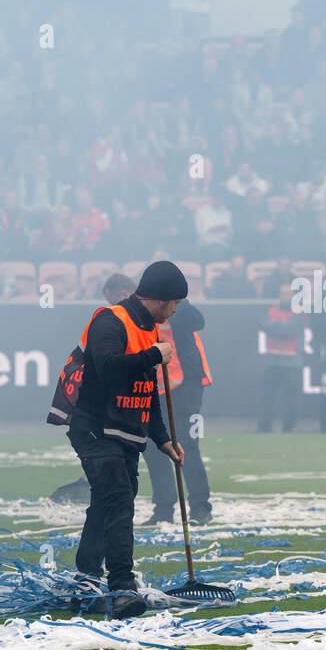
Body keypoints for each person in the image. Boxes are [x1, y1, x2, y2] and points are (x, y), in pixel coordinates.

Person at [65, 261, 187, 619]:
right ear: (162, 299)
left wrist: (163, 439)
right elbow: (106, 365)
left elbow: (146, 391)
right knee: (118, 498)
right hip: (95, 428)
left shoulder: (147, 328)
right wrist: (153, 355)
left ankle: (84, 578)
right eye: (175, 302)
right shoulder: (111, 320)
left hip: (125, 430)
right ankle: (121, 587)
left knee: (108, 501)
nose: (176, 310)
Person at [50, 272, 133, 505]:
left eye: (112, 299)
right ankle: (100, 489)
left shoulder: (115, 319)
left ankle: (102, 489)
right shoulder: (113, 321)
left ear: (123, 293)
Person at [142, 299, 212, 526]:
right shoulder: (134, 313)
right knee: (154, 447)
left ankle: (200, 508)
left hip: (187, 384)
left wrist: (175, 299)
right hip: (157, 386)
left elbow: (197, 321)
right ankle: (163, 509)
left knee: (185, 443)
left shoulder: (177, 305)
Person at [257, 284, 302, 433]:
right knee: (267, 397)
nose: (285, 296)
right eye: (283, 293)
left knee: (291, 399)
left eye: (289, 293)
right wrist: (283, 326)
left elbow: (293, 330)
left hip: (291, 361)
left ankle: (288, 427)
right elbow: (263, 325)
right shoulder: (271, 310)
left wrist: (275, 326)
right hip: (272, 359)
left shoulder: (298, 311)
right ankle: (264, 426)